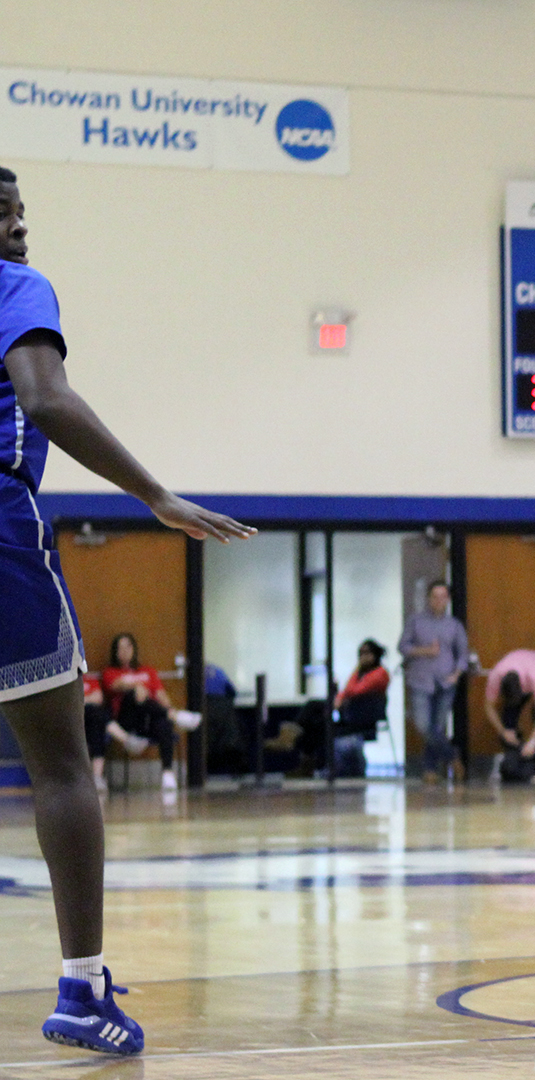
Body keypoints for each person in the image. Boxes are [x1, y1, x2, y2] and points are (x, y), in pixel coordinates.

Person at [0, 164, 253, 1055]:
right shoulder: (15, 287)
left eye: (22, 211)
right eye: (4, 214)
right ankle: (80, 987)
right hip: (0, 528)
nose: (20, 228)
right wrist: (154, 493)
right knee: (65, 769)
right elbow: (45, 396)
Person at [97, 633, 198, 792]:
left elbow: (161, 695)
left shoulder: (148, 671)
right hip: (127, 720)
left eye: (128, 646)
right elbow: (117, 686)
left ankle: (167, 773)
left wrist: (166, 706)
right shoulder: (110, 672)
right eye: (120, 647)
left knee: (163, 722)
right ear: (115, 652)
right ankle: (177, 716)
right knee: (133, 694)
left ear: (134, 649)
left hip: (149, 718)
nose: (124, 650)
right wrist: (136, 686)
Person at [398, 581, 468, 783]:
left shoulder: (454, 625)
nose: (439, 601)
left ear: (447, 600)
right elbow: (403, 646)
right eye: (435, 596)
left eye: (443, 597)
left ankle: (430, 769)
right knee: (423, 724)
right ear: (428, 599)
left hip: (445, 683)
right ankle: (452, 755)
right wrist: (424, 651)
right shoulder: (415, 622)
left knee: (437, 726)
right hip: (420, 681)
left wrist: (456, 674)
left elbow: (462, 654)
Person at [484, 648, 535, 783]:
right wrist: (503, 731)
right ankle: (514, 760)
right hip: (522, 671)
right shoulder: (495, 675)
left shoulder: (534, 677)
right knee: (509, 715)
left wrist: (533, 741)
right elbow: (488, 706)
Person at [333, 640, 389, 776]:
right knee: (316, 709)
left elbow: (354, 691)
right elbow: (346, 691)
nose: (363, 657)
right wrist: (339, 699)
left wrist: (357, 669)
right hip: (353, 712)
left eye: (367, 653)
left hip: (365, 715)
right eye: (361, 654)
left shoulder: (380, 674)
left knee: (318, 711)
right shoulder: (362, 674)